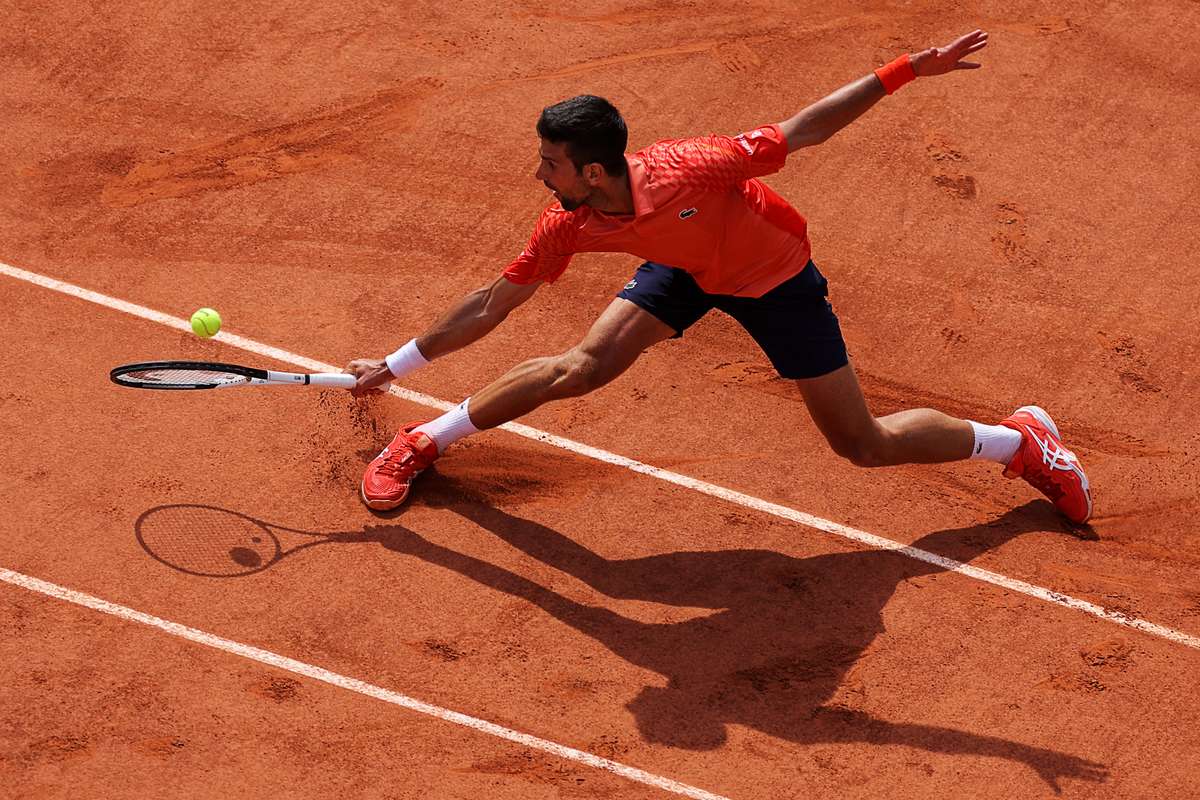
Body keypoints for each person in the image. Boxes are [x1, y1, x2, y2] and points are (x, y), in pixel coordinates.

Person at [344, 29, 1093, 524]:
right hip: (684, 268)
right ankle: (427, 439)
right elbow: (491, 304)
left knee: (861, 444)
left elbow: (804, 128)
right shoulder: (569, 221)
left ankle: (1018, 443)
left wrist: (903, 72)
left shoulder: (690, 167)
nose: (540, 173)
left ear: (594, 170)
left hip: (776, 281)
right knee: (581, 365)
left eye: (551, 162)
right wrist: (399, 364)